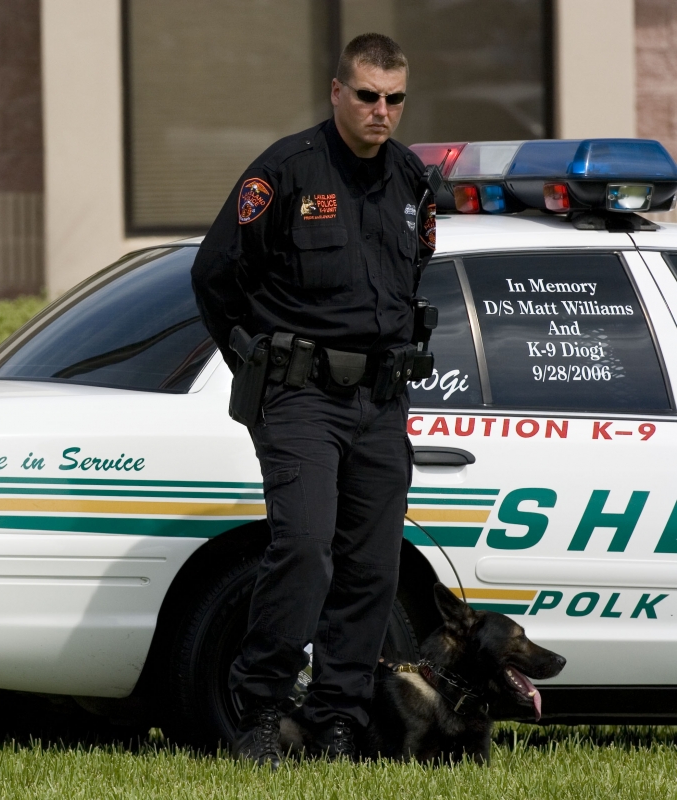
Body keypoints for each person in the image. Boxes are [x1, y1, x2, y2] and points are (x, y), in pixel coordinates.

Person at [191, 33, 436, 766]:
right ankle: (263, 709)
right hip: (300, 399)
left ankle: (336, 720)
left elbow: (413, 273)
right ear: (337, 93)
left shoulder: (411, 180)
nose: (380, 111)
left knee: (372, 568)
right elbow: (215, 275)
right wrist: (254, 359)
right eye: (367, 95)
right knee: (303, 549)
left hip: (381, 402)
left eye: (394, 99)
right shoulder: (288, 170)